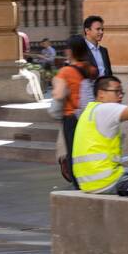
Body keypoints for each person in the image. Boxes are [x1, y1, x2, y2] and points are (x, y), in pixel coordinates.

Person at [50, 36, 97, 168]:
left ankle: (78, 184)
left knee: (73, 153)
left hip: (72, 117)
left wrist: (55, 86)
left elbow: (59, 94)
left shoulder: (65, 72)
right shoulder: (91, 69)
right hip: (88, 115)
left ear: (70, 51)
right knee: (87, 150)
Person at [83, 15, 113, 82]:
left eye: (102, 29)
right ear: (87, 30)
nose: (101, 32)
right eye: (98, 29)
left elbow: (109, 73)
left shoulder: (104, 50)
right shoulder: (82, 49)